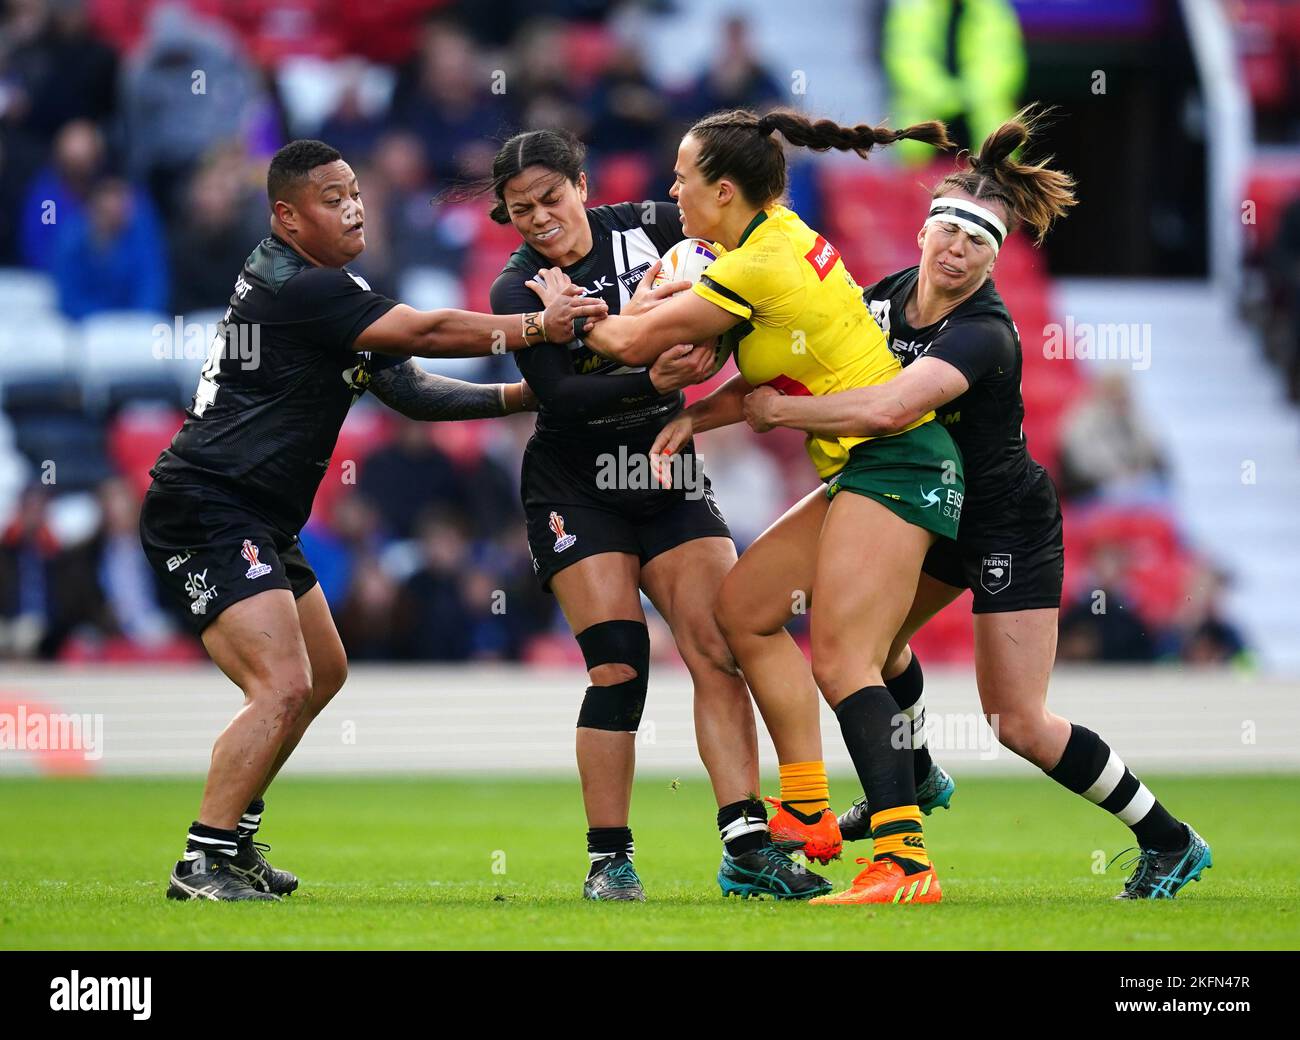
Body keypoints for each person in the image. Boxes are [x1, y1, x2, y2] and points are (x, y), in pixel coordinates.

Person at [742, 108, 1211, 900]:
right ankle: (917, 774)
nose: (960, 251)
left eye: (981, 244)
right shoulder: (884, 300)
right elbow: (804, 345)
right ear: (924, 232)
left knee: (1018, 722)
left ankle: (1169, 839)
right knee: (872, 647)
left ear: (995, 263)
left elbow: (888, 410)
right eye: (951, 233)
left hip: (1001, 525)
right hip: (926, 509)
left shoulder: (985, 331)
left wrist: (777, 413)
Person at [141, 139, 605, 902]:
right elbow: (422, 333)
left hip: (255, 513)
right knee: (283, 683)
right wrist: (535, 331)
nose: (354, 206)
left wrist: (524, 399)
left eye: (355, 191)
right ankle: (203, 860)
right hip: (208, 506)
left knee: (322, 672)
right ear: (288, 217)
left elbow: (412, 388)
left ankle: (235, 841)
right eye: (332, 197)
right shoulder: (301, 291)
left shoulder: (334, 288)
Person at [533, 108, 960, 904]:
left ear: (722, 191)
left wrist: (573, 306)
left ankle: (904, 862)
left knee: (842, 659)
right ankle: (803, 803)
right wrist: (698, 414)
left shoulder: (754, 267)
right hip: (866, 466)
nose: (672, 193)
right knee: (745, 609)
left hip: (897, 465)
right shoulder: (781, 238)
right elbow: (776, 378)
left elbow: (627, 347)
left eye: (683, 181)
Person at [485, 128, 820, 901]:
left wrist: (719, 344)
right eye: (519, 209)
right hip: (576, 485)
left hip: (662, 470)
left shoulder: (653, 226)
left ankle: (745, 844)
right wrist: (654, 374)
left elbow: (749, 251)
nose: (538, 218)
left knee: (718, 647)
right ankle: (610, 859)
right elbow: (561, 396)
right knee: (619, 667)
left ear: (581, 183)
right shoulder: (517, 288)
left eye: (549, 198)